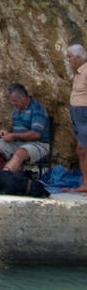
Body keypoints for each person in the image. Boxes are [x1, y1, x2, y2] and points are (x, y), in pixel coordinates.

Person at [0, 83, 50, 172]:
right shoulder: (16, 109)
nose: (13, 103)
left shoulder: (37, 109)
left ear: (23, 97)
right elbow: (12, 127)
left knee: (19, 153)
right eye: (12, 101)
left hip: (38, 144)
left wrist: (14, 136)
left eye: (15, 100)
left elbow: (36, 134)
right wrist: (6, 132)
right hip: (17, 142)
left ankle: (3, 179)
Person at [65, 44, 87, 194]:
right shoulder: (79, 72)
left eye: (69, 57)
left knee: (85, 149)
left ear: (78, 58)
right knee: (81, 150)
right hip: (78, 116)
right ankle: (86, 183)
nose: (67, 60)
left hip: (85, 115)